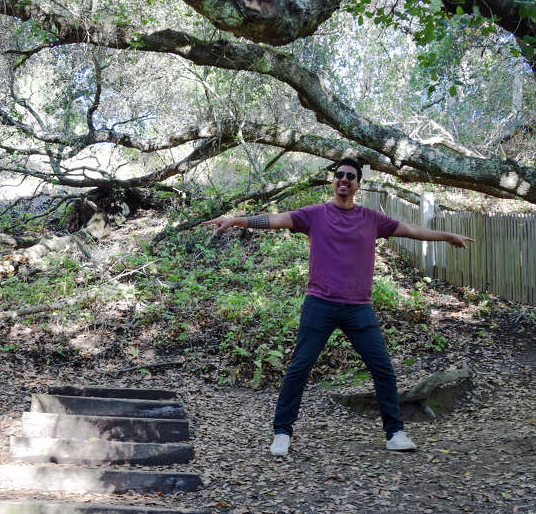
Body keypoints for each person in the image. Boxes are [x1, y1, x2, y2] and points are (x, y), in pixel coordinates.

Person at [203, 158, 474, 456]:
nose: (344, 180)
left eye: (350, 177)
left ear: (358, 184)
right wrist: (237, 220)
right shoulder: (314, 215)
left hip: (359, 308)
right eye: (339, 176)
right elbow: (276, 219)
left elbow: (410, 230)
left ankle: (395, 432)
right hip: (320, 304)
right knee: (300, 366)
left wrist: (447, 236)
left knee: (382, 367)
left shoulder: (372, 219)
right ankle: (282, 433)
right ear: (333, 182)